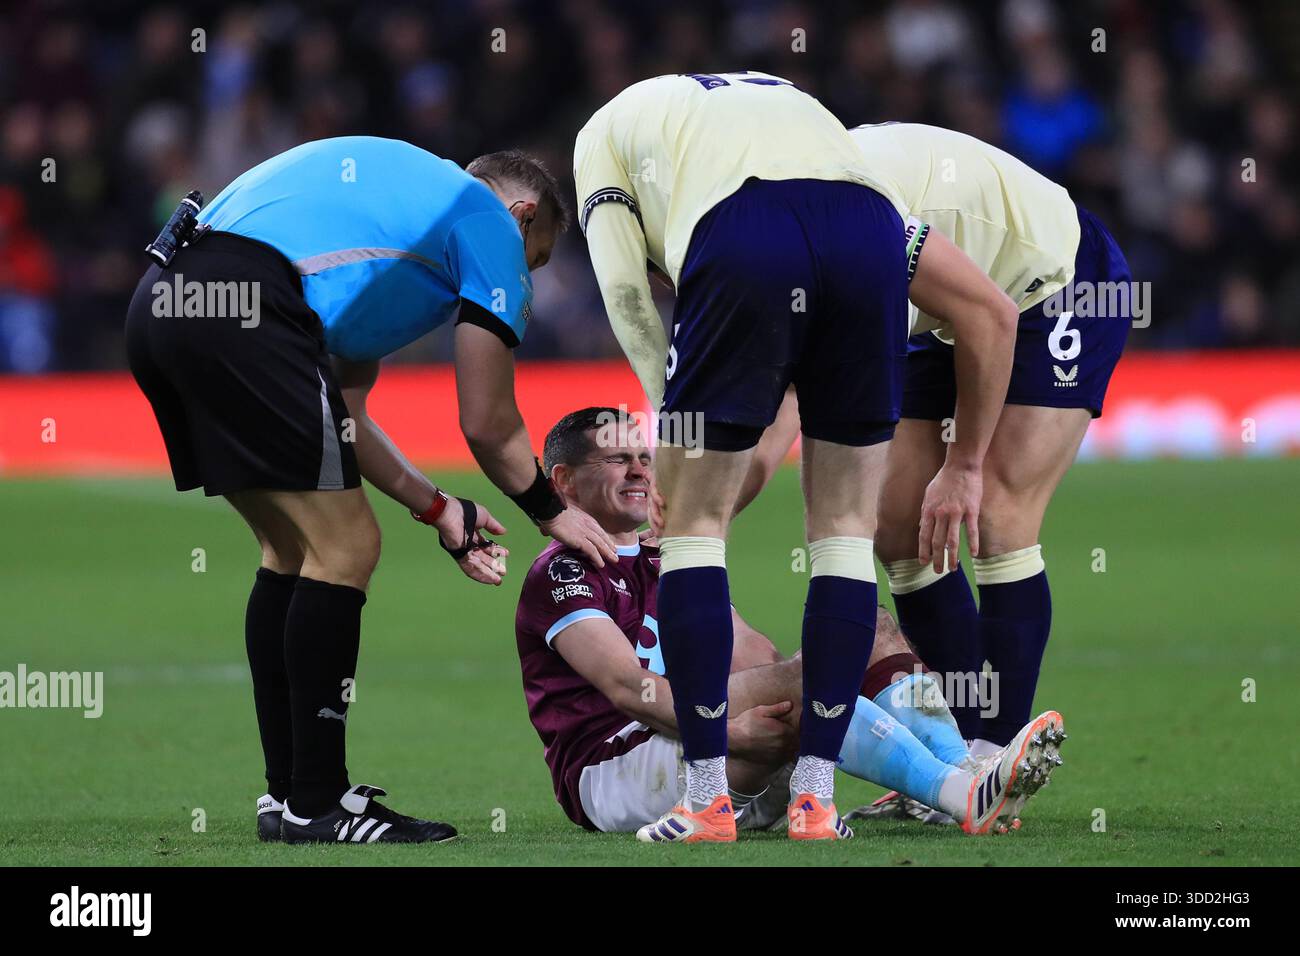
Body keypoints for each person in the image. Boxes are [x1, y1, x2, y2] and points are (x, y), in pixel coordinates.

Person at [125, 137, 616, 844]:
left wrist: (441, 507)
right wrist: (551, 511)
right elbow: (486, 421)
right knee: (347, 545)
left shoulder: (389, 231)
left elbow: (345, 417)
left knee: (291, 549)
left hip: (167, 301)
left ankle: (289, 795)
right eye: (532, 259)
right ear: (524, 213)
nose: (521, 285)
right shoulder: (485, 217)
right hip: (245, 308)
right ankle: (319, 804)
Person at [574, 73, 1019, 842]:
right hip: (872, 233)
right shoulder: (764, 94)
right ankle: (816, 801)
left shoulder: (599, 138)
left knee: (693, 531)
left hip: (745, 226)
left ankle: (707, 801)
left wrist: (672, 419)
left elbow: (622, 289)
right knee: (844, 531)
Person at [739, 122, 1130, 823]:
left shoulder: (860, 214)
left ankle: (994, 757)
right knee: (898, 530)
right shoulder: (770, 245)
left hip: (1049, 285)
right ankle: (955, 771)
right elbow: (784, 408)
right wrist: (701, 521)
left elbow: (993, 317)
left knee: (999, 518)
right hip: (935, 305)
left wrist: (964, 467)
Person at [514, 408, 1066, 840]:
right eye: (617, 459)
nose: (639, 469)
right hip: (613, 771)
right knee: (815, 675)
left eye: (644, 455)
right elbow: (629, 691)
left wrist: (784, 691)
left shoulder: (666, 556)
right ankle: (962, 794)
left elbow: (750, 651)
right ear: (563, 481)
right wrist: (727, 730)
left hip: (706, 750)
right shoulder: (561, 574)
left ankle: (962, 773)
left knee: (864, 630)